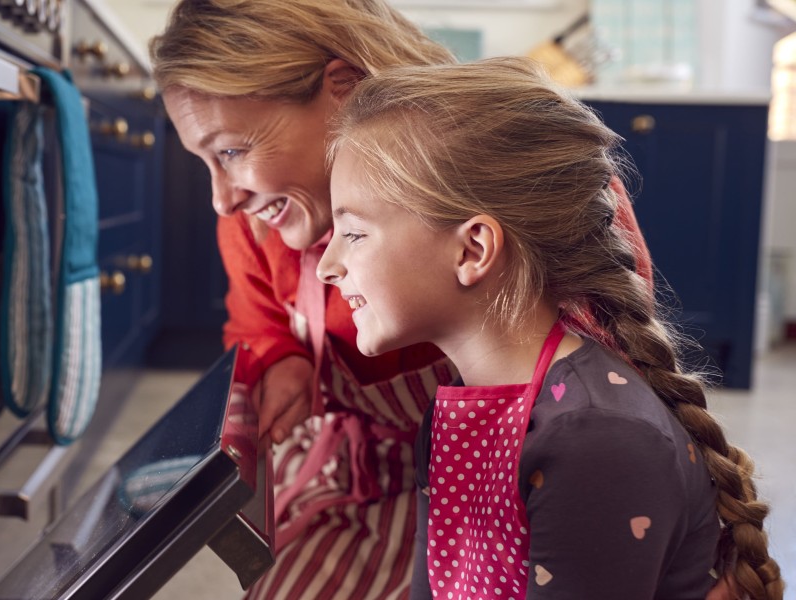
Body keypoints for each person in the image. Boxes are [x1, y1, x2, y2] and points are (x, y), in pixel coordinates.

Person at [150, 1, 659, 598]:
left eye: (232, 151)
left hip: (518, 484)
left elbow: (619, 403)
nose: (222, 199)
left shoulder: (509, 180)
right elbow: (257, 326)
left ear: (342, 89)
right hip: (364, 474)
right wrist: (282, 360)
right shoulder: (262, 222)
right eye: (204, 161)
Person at [316, 57, 784, 600]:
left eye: (353, 233)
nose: (328, 265)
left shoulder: (593, 438)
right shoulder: (460, 410)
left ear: (473, 249)